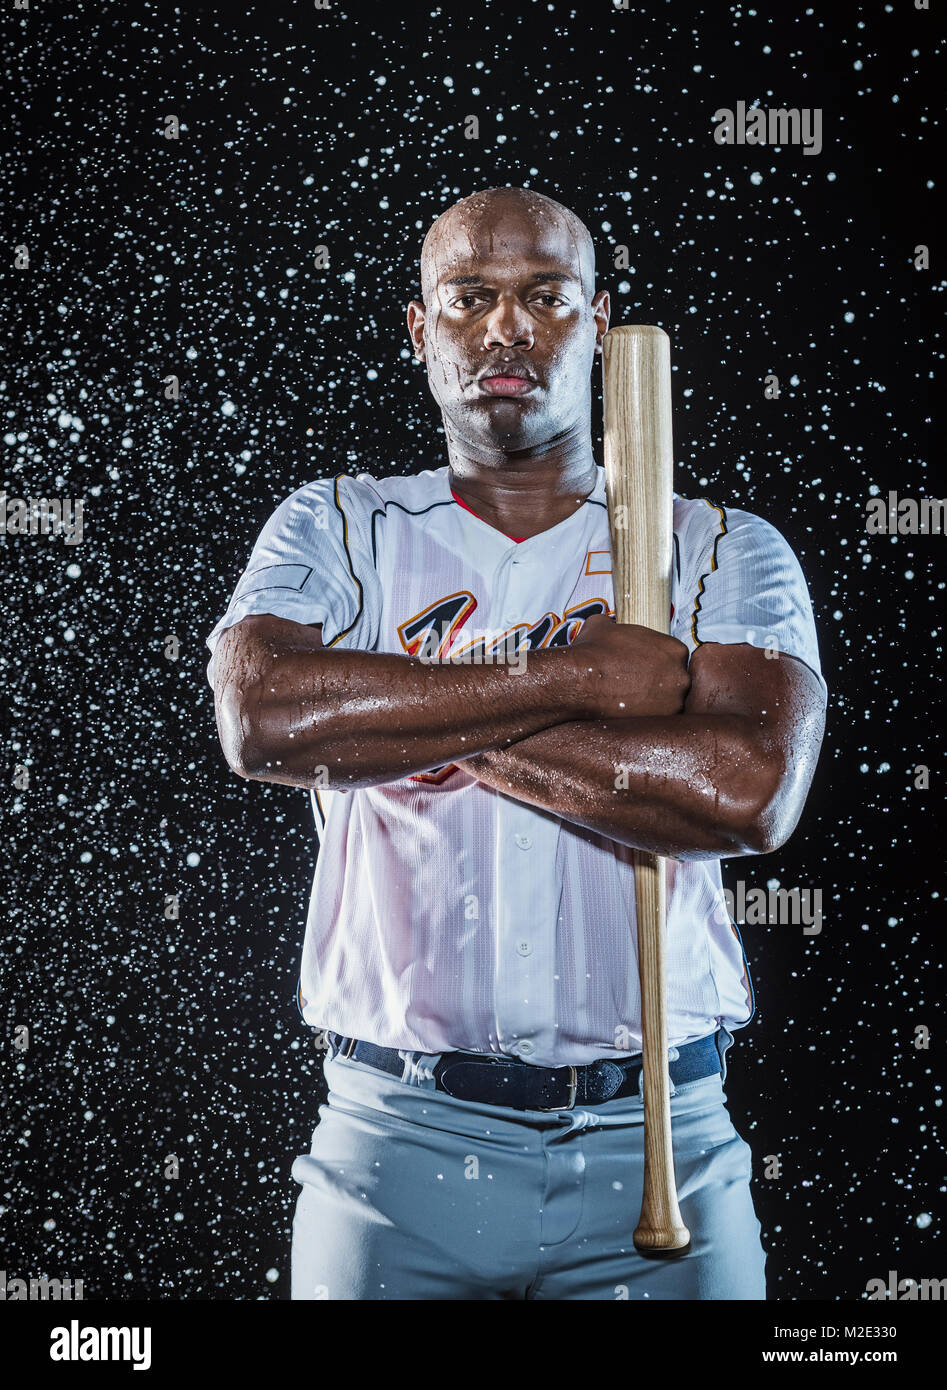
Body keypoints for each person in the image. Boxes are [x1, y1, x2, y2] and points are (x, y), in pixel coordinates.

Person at [206, 186, 827, 1300]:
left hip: (661, 1134)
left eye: (543, 296)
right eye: (469, 297)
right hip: (391, 1145)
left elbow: (744, 794)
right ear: (419, 328)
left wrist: (399, 720)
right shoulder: (338, 522)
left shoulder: (715, 544)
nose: (504, 328)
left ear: (595, 323)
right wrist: (578, 679)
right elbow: (264, 720)